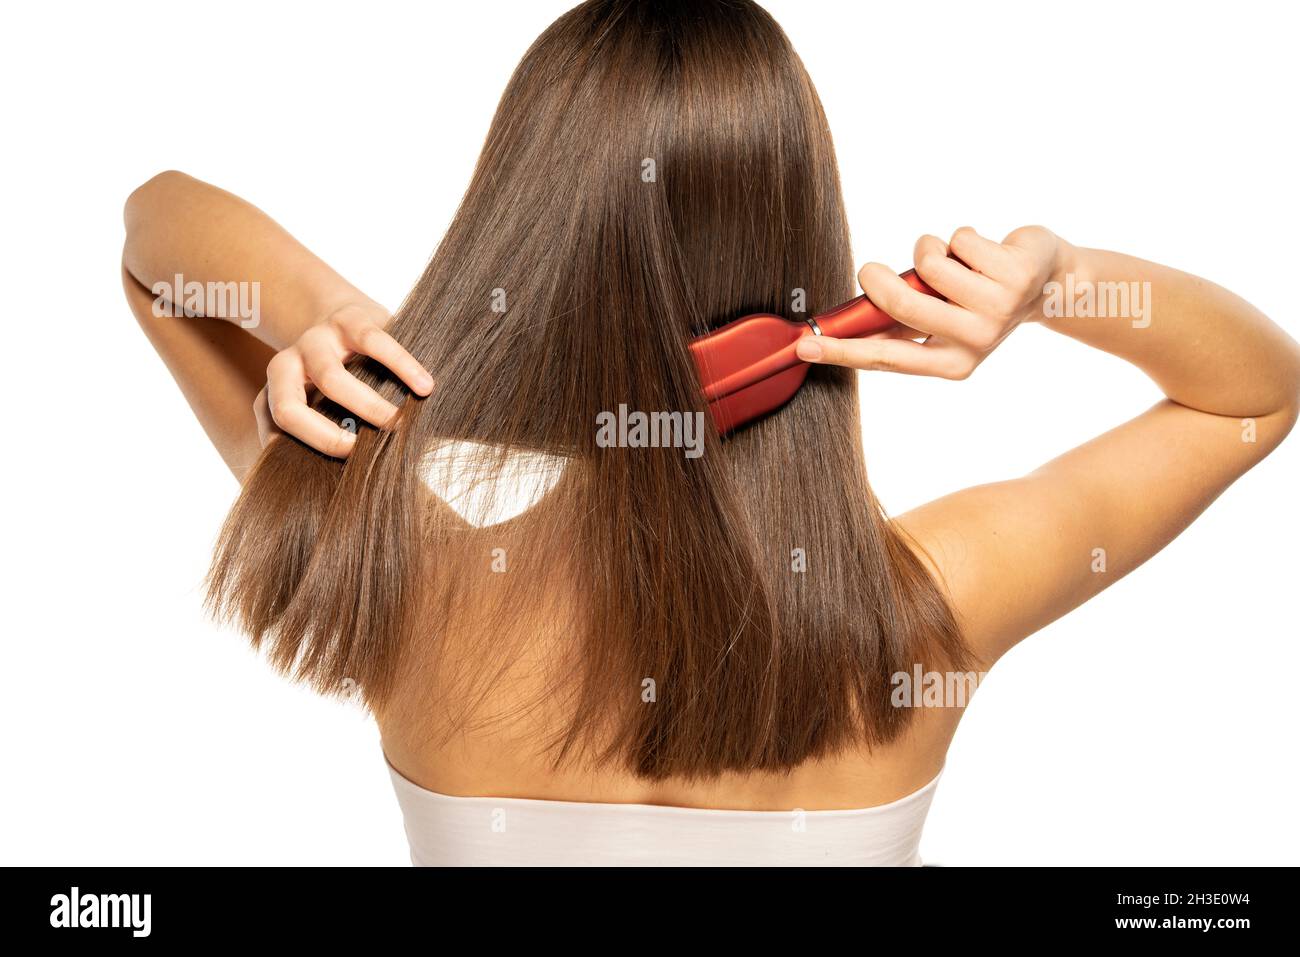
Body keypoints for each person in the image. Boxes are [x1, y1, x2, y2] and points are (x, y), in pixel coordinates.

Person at [120, 0, 1300, 865]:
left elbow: (153, 236)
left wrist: (333, 323)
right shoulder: (935, 603)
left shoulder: (385, 535)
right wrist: (1052, 282)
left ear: (517, 240)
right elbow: (1253, 395)